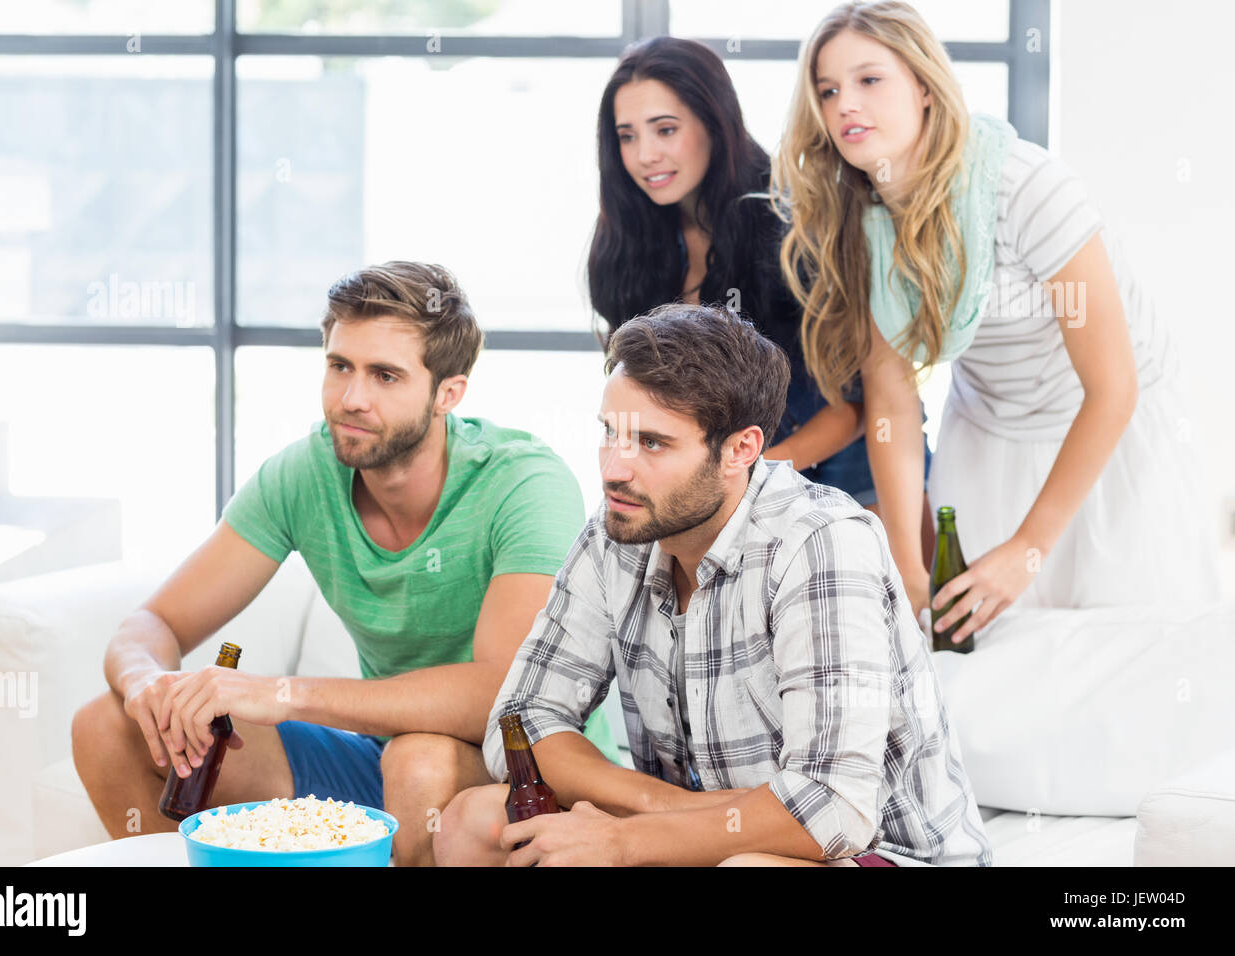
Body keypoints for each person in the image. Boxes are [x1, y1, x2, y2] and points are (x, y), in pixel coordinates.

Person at [71, 261, 617, 866]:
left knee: (420, 758)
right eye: (339, 367)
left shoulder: (523, 482)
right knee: (106, 726)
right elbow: (151, 626)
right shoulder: (305, 472)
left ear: (448, 393)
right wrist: (149, 684)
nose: (351, 399)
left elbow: (503, 691)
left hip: (516, 765)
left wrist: (285, 693)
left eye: (385, 375)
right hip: (377, 760)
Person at [434, 303, 992, 867]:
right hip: (696, 833)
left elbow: (833, 811)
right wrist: (661, 804)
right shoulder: (618, 529)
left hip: (874, 853)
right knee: (474, 823)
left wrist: (624, 841)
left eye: (652, 443)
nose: (613, 469)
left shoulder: (820, 542)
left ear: (741, 449)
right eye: (611, 433)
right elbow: (523, 719)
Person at [771, 1, 1220, 642]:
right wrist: (907, 565)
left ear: (924, 86)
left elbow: (1113, 387)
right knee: (990, 661)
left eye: (870, 80)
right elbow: (892, 406)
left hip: (1105, 432)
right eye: (828, 89)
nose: (845, 103)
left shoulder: (1026, 187)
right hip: (989, 435)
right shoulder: (862, 218)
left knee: (1123, 650)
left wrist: (1029, 548)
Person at [587, 35, 935, 562]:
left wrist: (741, 477)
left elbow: (856, 405)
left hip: (852, 479)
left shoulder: (792, 225)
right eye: (627, 136)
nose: (645, 155)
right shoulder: (627, 246)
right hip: (723, 490)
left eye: (665, 129)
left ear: (714, 121)